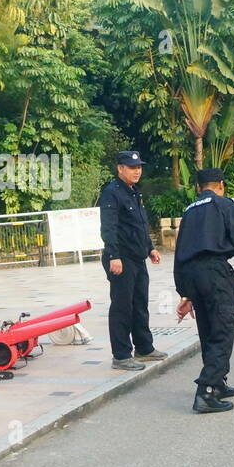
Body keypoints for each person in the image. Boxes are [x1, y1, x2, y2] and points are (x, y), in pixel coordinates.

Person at [173, 168, 234, 414]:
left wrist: (184, 293)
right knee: (222, 331)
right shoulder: (224, 205)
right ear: (220, 184)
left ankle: (218, 382)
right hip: (216, 272)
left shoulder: (189, 211)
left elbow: (179, 253)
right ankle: (206, 391)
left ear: (198, 188)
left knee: (208, 331)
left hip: (192, 275)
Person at [99, 151, 166, 370]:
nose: (137, 171)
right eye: (131, 167)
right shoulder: (111, 193)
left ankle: (144, 347)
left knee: (140, 303)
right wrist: (113, 255)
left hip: (137, 257)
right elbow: (109, 227)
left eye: (139, 167)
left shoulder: (134, 192)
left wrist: (150, 248)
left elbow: (139, 224)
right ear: (120, 168)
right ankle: (121, 355)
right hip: (121, 257)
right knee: (122, 306)